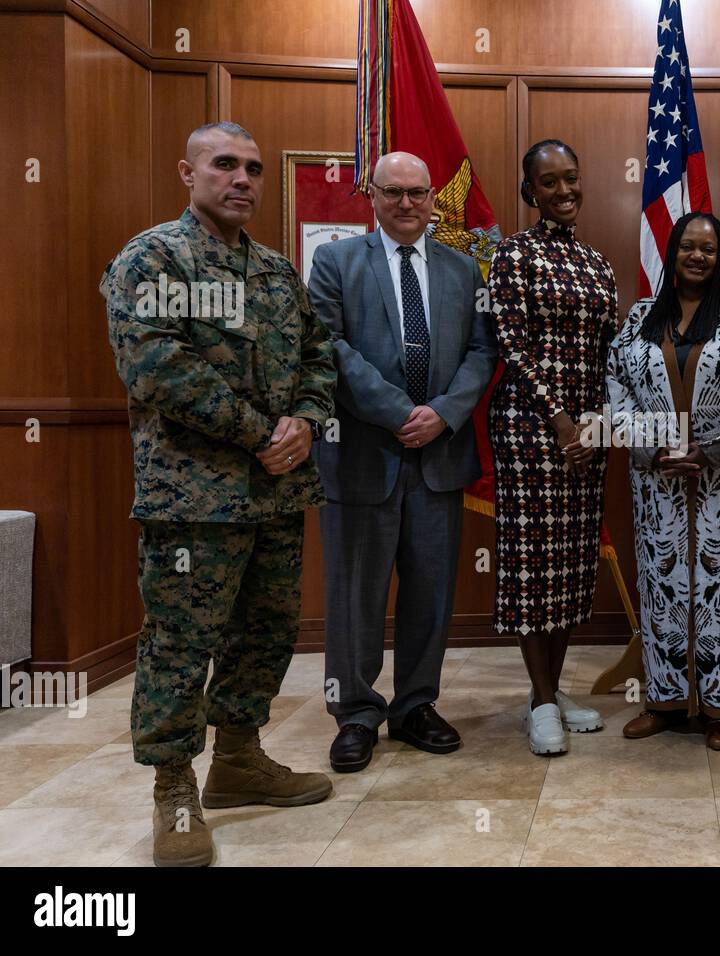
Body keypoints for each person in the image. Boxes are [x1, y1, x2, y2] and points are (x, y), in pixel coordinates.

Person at [101, 122, 337, 867]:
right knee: (179, 644)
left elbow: (317, 353)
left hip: (274, 495)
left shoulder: (272, 270)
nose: (242, 179)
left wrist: (306, 418)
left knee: (266, 631)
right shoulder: (154, 257)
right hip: (192, 500)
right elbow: (157, 367)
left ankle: (238, 757)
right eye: (225, 165)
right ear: (188, 171)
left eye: (254, 168)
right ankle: (174, 788)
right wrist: (259, 432)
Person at [309, 152, 497, 773]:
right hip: (365, 454)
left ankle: (417, 704)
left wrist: (442, 412)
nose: (409, 204)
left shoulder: (464, 268)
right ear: (373, 194)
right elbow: (328, 347)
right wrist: (397, 411)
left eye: (420, 193)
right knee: (356, 594)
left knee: (431, 591)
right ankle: (357, 714)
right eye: (395, 192)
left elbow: (481, 351)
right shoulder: (336, 261)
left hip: (439, 454)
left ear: (433, 198)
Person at [608, 212, 720, 751]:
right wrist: (651, 446)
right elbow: (615, 382)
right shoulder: (639, 317)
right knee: (662, 588)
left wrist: (717, 446)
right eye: (687, 246)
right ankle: (664, 702)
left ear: (719, 255)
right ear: (673, 251)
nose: (697, 256)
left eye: (708, 248)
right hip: (656, 480)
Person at [488, 140, 620, 755]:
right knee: (533, 563)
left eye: (571, 178)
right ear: (529, 192)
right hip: (530, 428)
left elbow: (610, 353)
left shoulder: (598, 263)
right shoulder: (512, 255)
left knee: (570, 563)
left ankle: (555, 687)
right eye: (549, 183)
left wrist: (596, 425)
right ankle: (539, 699)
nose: (563, 191)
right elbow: (511, 344)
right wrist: (563, 421)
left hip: (588, 433)